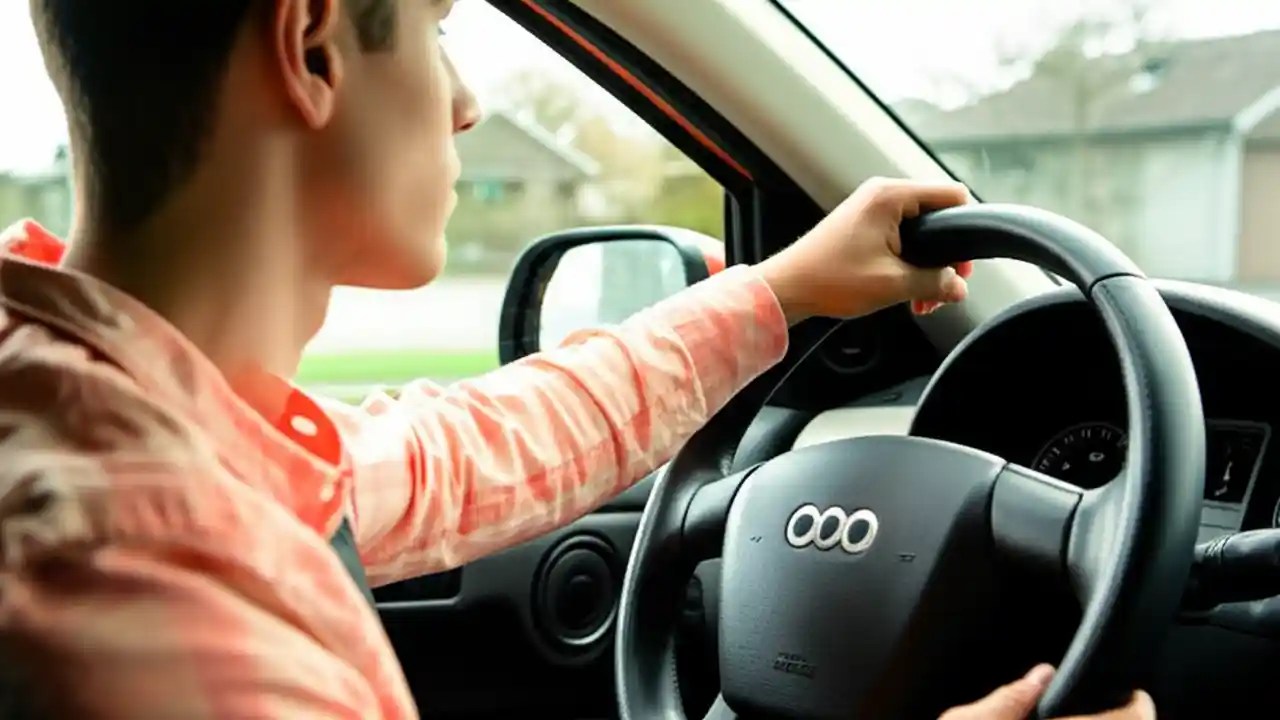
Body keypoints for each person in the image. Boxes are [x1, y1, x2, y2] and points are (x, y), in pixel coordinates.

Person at [0, 1, 1153, 718]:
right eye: (439, 29)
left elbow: (460, 454)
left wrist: (781, 290)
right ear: (311, 46)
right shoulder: (159, 612)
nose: (464, 105)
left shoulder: (97, 405)